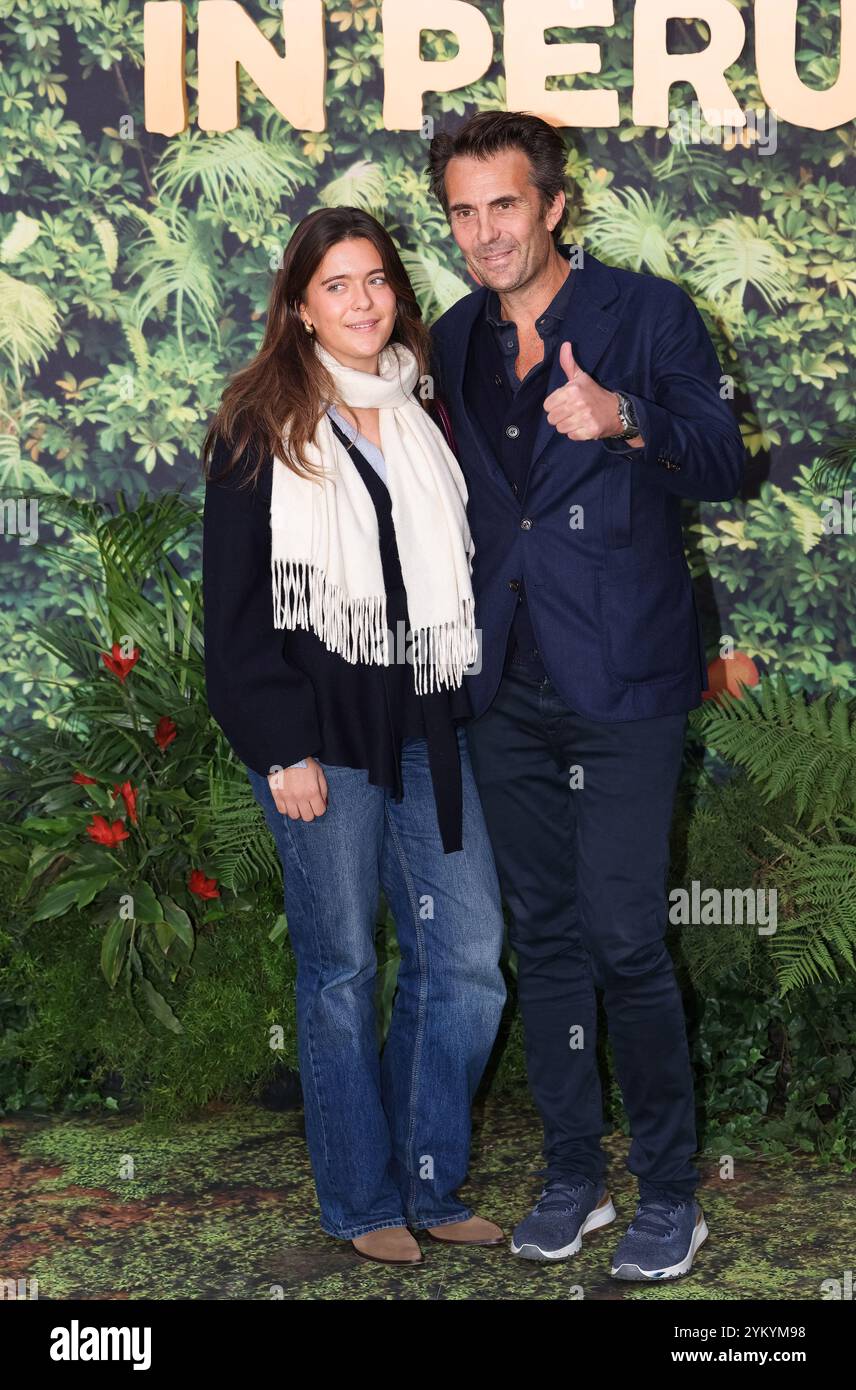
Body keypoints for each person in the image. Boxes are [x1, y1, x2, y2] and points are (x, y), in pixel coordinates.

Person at [427, 111, 745, 1279]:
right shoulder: (452, 338)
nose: (482, 232)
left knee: (623, 939)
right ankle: (575, 1174)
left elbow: (722, 457)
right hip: (501, 681)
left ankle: (669, 1189)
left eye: (502, 205)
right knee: (546, 941)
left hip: (623, 678)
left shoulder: (645, 314)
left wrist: (625, 420)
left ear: (553, 205)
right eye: (461, 211)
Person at [200, 207, 508, 1266]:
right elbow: (234, 616)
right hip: (319, 737)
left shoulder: (422, 409)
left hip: (426, 719)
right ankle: (361, 1199)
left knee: (466, 960)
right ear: (298, 305)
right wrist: (279, 747)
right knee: (339, 971)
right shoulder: (260, 424)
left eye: (375, 278)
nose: (364, 300)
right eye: (337, 284)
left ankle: (430, 1179)